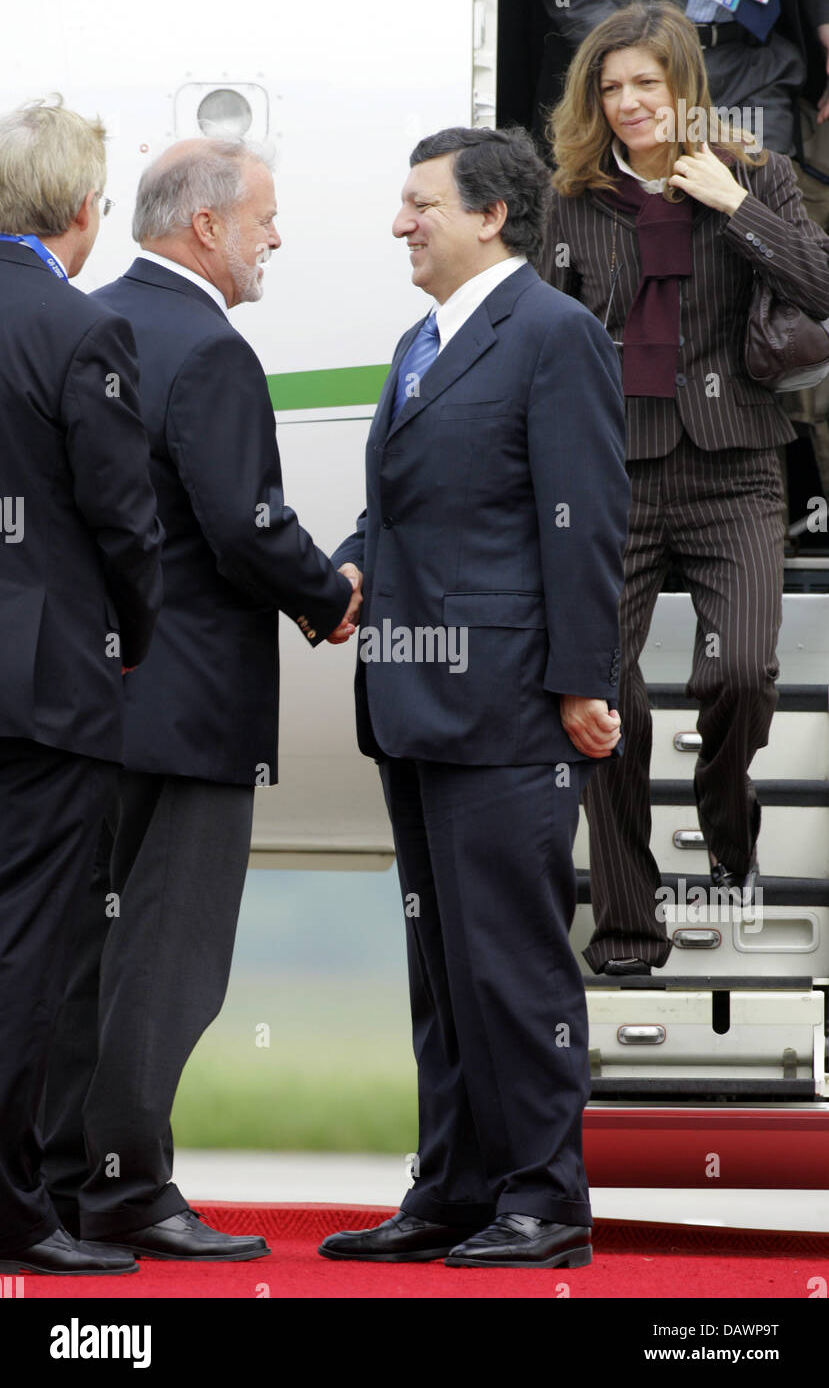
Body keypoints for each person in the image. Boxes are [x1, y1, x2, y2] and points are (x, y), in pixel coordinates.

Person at [42, 138, 360, 1262]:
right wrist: (332, 593)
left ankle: (58, 1176)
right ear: (205, 225)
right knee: (168, 965)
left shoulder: (91, 321)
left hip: (91, 708)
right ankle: (124, 1189)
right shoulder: (208, 347)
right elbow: (244, 524)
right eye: (265, 217)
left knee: (84, 952)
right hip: (189, 714)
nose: (276, 237)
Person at [319, 126, 629, 1269]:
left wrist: (583, 682)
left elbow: (585, 519)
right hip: (411, 695)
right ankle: (451, 1186)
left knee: (511, 962)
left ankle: (544, 1200)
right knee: (443, 966)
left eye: (420, 203)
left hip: (504, 705)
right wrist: (353, 561)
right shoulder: (420, 340)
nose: (401, 223)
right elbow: (411, 507)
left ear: (491, 215)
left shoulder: (553, 335)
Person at [544, 1, 829, 975]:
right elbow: (546, 343)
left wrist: (732, 204)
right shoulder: (572, 201)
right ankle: (628, 925)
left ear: (683, 89)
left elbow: (822, 290)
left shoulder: (757, 172)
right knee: (600, 697)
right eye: (610, 87)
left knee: (739, 672)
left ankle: (725, 816)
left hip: (735, 465)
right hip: (612, 472)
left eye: (645, 85)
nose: (627, 103)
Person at [0, 98, 163, 1275]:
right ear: (81, 212)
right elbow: (123, 523)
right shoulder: (78, 328)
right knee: (29, 951)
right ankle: (13, 1206)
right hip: (42, 687)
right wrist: (136, 631)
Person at [543, 0, 829, 156]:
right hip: (639, 56)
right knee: (644, 195)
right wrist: (627, 48)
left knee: (755, 184)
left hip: (748, 62)